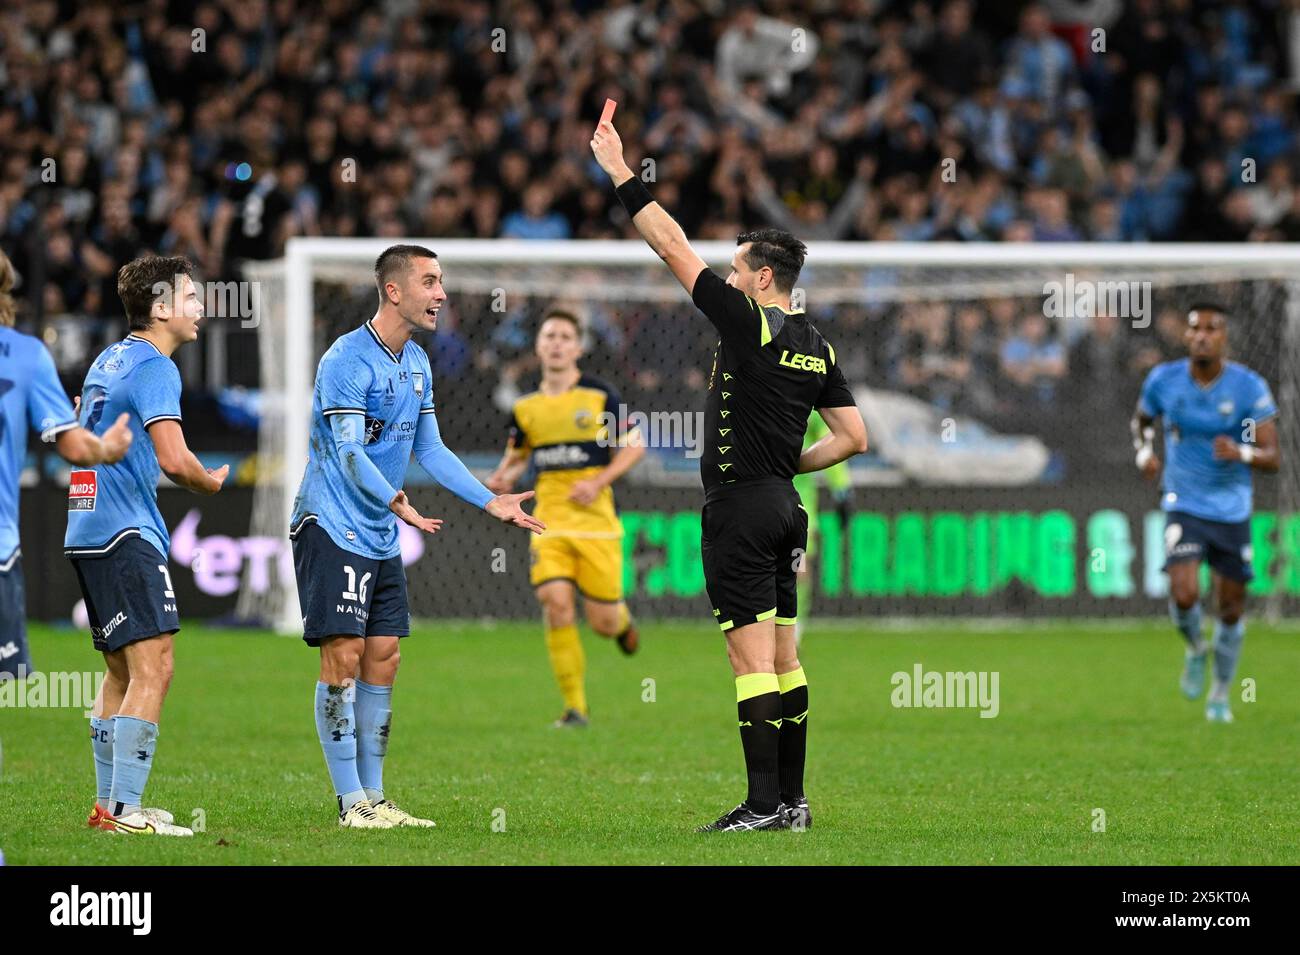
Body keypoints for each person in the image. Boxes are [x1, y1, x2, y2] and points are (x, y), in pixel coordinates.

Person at [591, 117, 868, 831]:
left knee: (748, 660)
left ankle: (762, 804)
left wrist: (621, 170)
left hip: (741, 508)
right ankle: (796, 802)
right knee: (786, 656)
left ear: (763, 279)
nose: (730, 276)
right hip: (784, 506)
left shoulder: (752, 322)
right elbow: (854, 437)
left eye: (738, 267)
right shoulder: (817, 343)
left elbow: (669, 243)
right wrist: (787, 468)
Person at [292, 244, 544, 828]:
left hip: (379, 527)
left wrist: (490, 500)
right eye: (430, 281)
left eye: (442, 281)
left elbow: (429, 448)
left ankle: (375, 798)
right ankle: (349, 801)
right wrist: (393, 498)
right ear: (394, 291)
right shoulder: (345, 360)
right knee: (345, 655)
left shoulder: (416, 363)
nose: (442, 294)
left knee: (385, 655)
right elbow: (349, 450)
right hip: (331, 520)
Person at [66, 255, 227, 836]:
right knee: (155, 666)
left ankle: (109, 810)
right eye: (190, 296)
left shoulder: (110, 358)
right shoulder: (157, 365)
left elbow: (85, 436)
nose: (202, 306)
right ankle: (127, 812)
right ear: (160, 308)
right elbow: (174, 459)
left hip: (86, 525)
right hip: (126, 529)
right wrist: (209, 481)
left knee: (120, 671)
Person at [486, 308, 645, 727]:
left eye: (564, 337)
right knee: (556, 605)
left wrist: (599, 481)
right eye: (549, 336)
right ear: (538, 347)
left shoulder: (600, 395)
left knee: (604, 623)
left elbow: (634, 446)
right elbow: (518, 457)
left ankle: (622, 622)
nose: (556, 343)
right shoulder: (526, 408)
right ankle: (575, 708)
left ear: (577, 347)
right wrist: (501, 478)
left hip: (596, 525)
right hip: (548, 524)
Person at [1132, 304, 1280, 723]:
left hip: (1231, 509)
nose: (1201, 335)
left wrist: (1242, 451)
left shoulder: (1247, 388)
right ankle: (1197, 647)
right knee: (1184, 591)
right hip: (1183, 502)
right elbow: (1142, 421)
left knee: (1230, 608)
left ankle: (1220, 693)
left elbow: (1273, 456)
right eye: (1195, 328)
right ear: (1186, 335)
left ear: (1224, 338)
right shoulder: (1164, 380)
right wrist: (1145, 452)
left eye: (1211, 329)